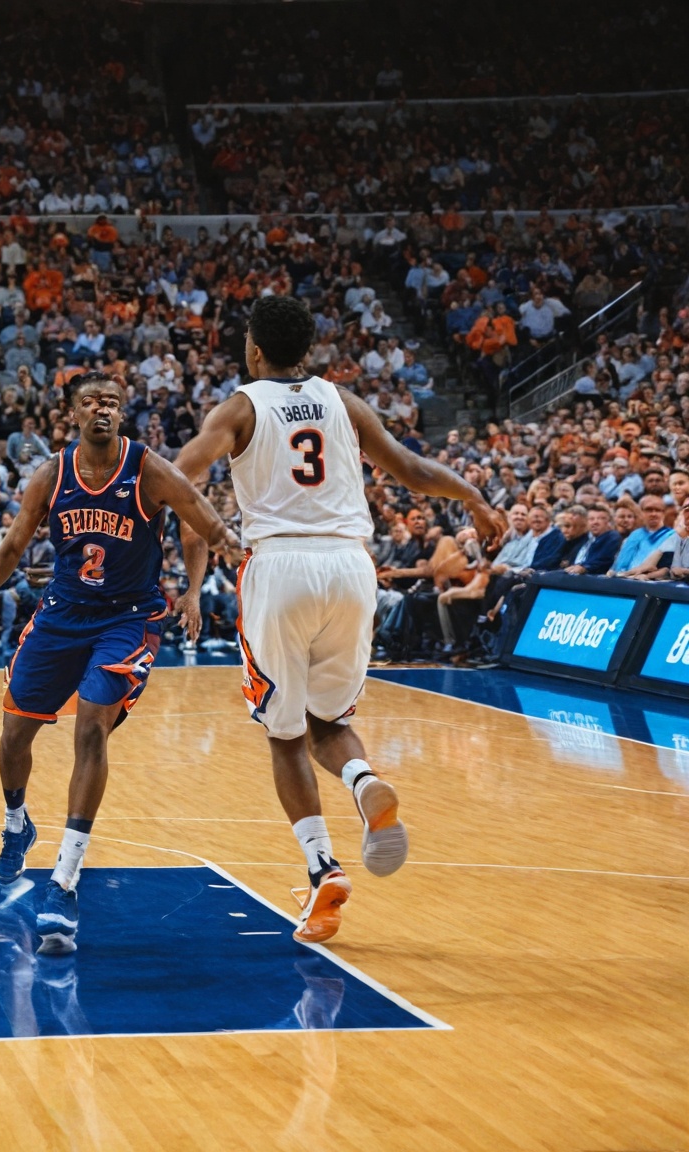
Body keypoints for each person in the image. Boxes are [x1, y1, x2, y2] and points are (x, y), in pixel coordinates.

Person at [175, 294, 498, 944]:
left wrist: (195, 562)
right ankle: (365, 780)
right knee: (331, 722)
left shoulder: (239, 406)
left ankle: (323, 866)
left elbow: (181, 477)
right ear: (311, 349)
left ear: (255, 350)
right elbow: (409, 468)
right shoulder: (341, 401)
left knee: (285, 735)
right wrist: (472, 496)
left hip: (280, 567)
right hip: (352, 568)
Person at [0, 372, 238, 954]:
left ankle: (64, 883)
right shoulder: (51, 474)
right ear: (73, 414)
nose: (102, 409)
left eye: (111, 401)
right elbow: (13, 543)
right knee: (14, 734)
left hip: (128, 619)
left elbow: (201, 517)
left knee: (91, 727)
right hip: (61, 614)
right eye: (91, 401)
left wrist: (211, 574)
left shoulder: (149, 468)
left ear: (122, 411)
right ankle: (17, 824)